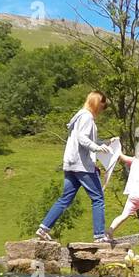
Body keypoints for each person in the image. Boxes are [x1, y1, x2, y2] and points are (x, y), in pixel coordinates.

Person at [36, 91, 115, 244]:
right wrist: (96, 148)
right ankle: (99, 236)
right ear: (97, 103)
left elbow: (86, 138)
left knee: (65, 198)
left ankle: (43, 228)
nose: (101, 111)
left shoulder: (79, 116)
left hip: (71, 164)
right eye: (102, 107)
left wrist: (105, 142)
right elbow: (83, 138)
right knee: (98, 198)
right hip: (82, 165)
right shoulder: (87, 116)